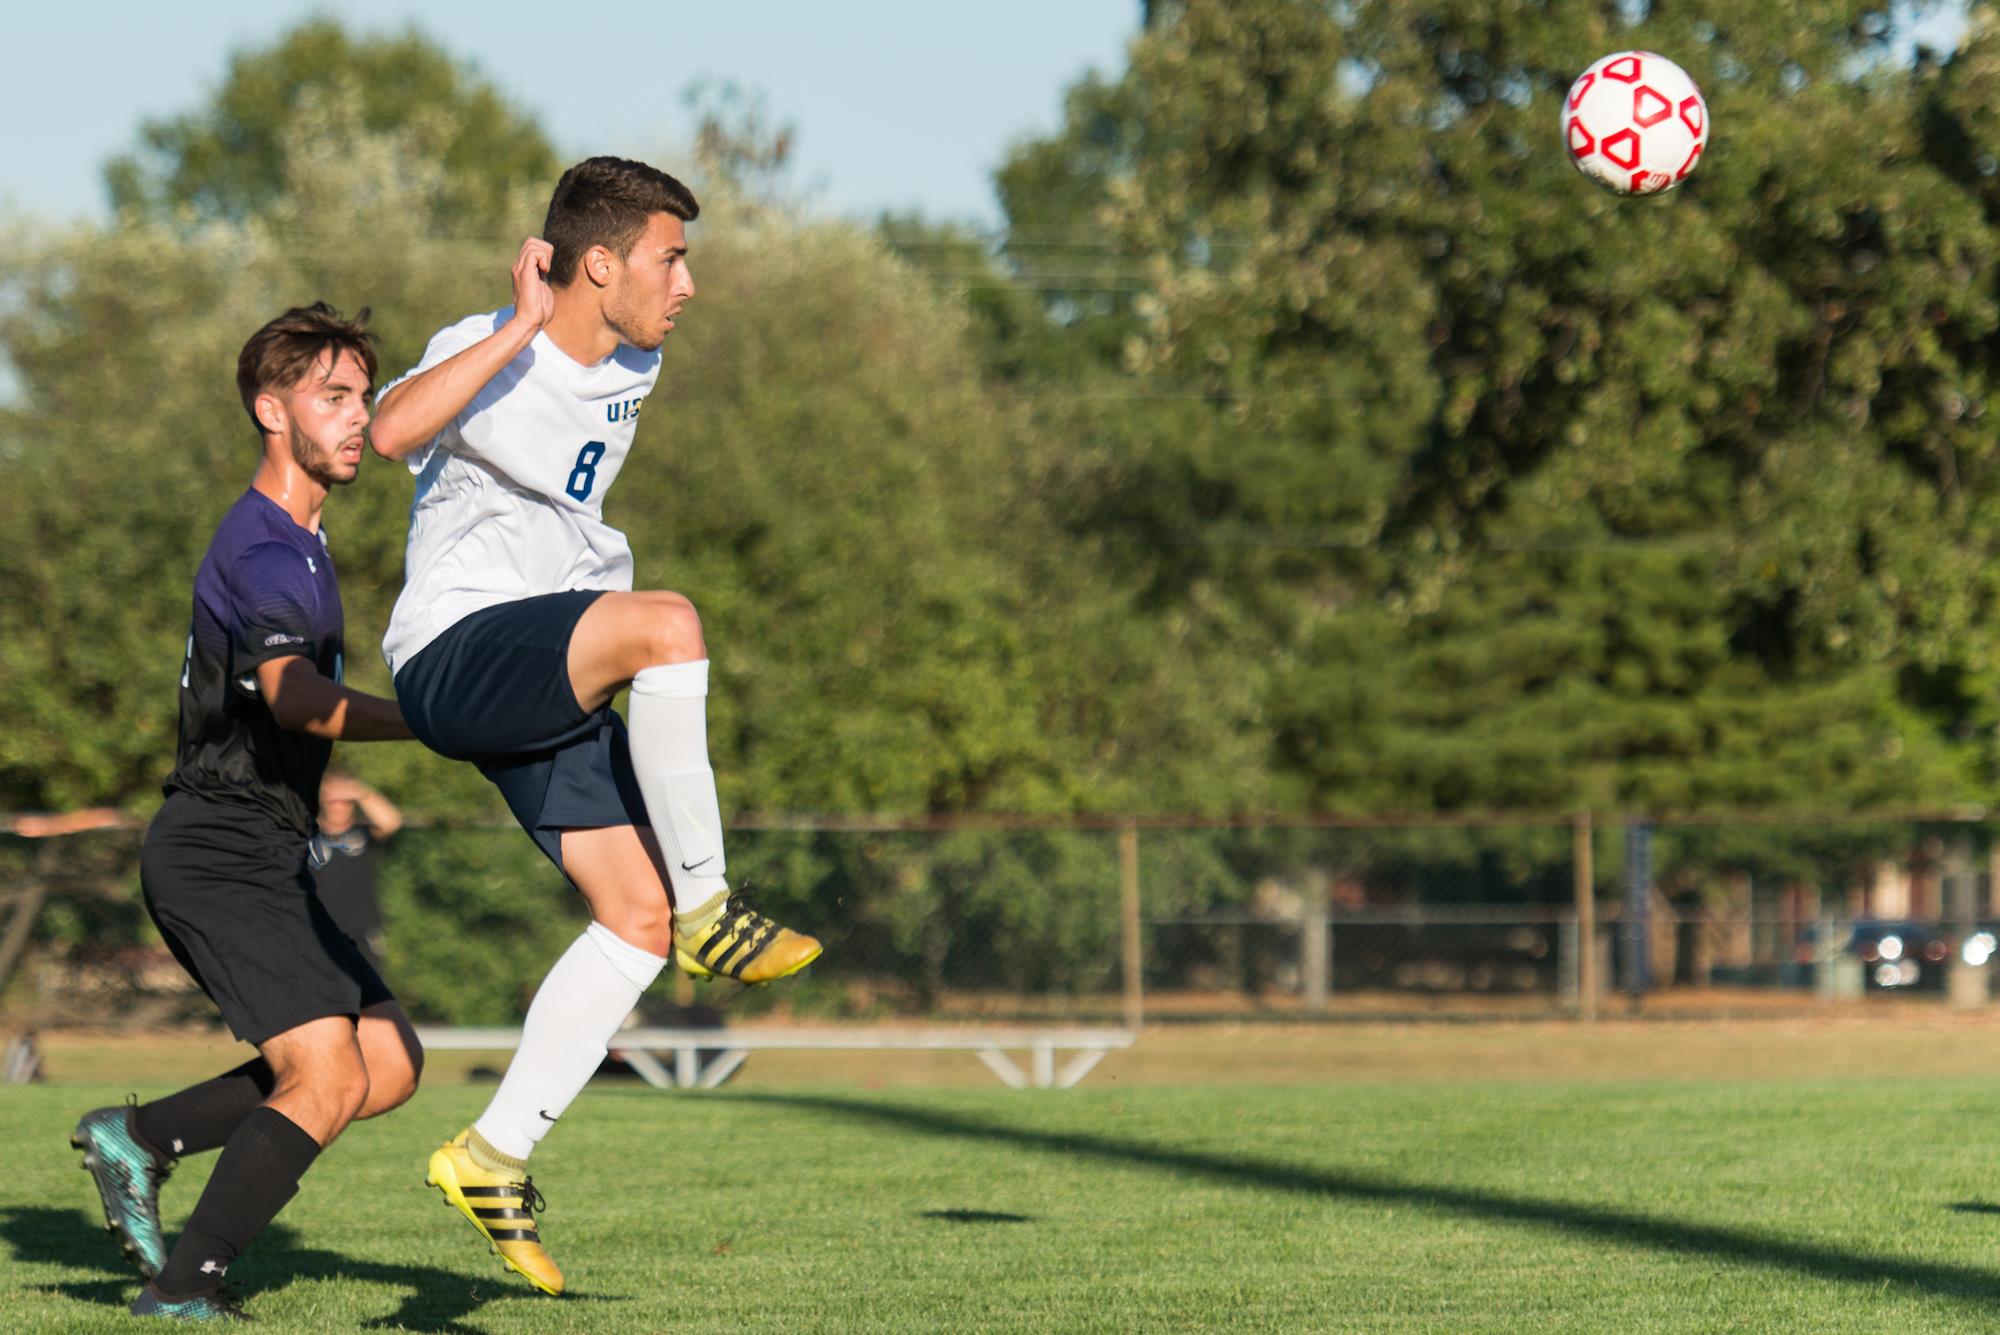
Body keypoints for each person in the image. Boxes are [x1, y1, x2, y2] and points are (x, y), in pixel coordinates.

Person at [368, 156, 820, 1296]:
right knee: (667, 624)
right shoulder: (484, 339)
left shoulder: (637, 358)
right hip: (458, 651)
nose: (689, 285)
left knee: (633, 917)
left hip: (543, 665)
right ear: (600, 262)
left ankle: (491, 1152)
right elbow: (386, 435)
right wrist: (519, 324)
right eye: (672, 257)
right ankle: (717, 907)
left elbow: (599, 385)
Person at [71, 304, 423, 1321]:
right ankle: (187, 1286)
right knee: (321, 1074)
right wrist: (429, 723)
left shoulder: (301, 540)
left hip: (263, 847)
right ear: (272, 410)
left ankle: (141, 1138)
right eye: (334, 397)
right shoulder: (268, 549)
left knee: (386, 1061)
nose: (361, 418)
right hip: (219, 847)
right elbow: (293, 696)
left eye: (365, 396)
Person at [312, 769, 403, 973]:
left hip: (363, 933)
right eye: (332, 800)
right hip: (319, 932)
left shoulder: (362, 834)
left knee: (370, 996)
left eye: (345, 801)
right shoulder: (309, 836)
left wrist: (359, 791)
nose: (339, 806)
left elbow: (391, 821)